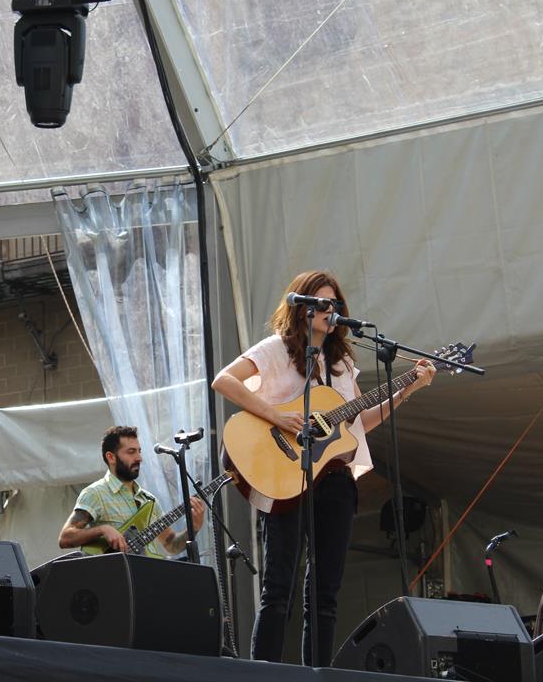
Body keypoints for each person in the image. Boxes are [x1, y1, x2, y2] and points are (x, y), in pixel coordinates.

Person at [211, 270, 435, 665]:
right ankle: (262, 675)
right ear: (301, 308)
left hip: (335, 481)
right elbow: (224, 381)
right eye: (321, 304)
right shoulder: (275, 350)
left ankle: (318, 674)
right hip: (284, 473)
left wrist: (407, 389)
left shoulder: (343, 366)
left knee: (325, 594)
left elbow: (356, 426)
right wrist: (278, 418)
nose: (330, 311)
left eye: (335, 305)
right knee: (278, 588)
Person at [58, 425, 206, 558]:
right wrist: (103, 529)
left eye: (139, 451)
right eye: (131, 452)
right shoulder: (95, 493)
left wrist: (194, 527)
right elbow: (66, 538)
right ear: (111, 457)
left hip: (144, 580)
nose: (139, 458)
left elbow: (171, 545)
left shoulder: (150, 500)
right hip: (112, 580)